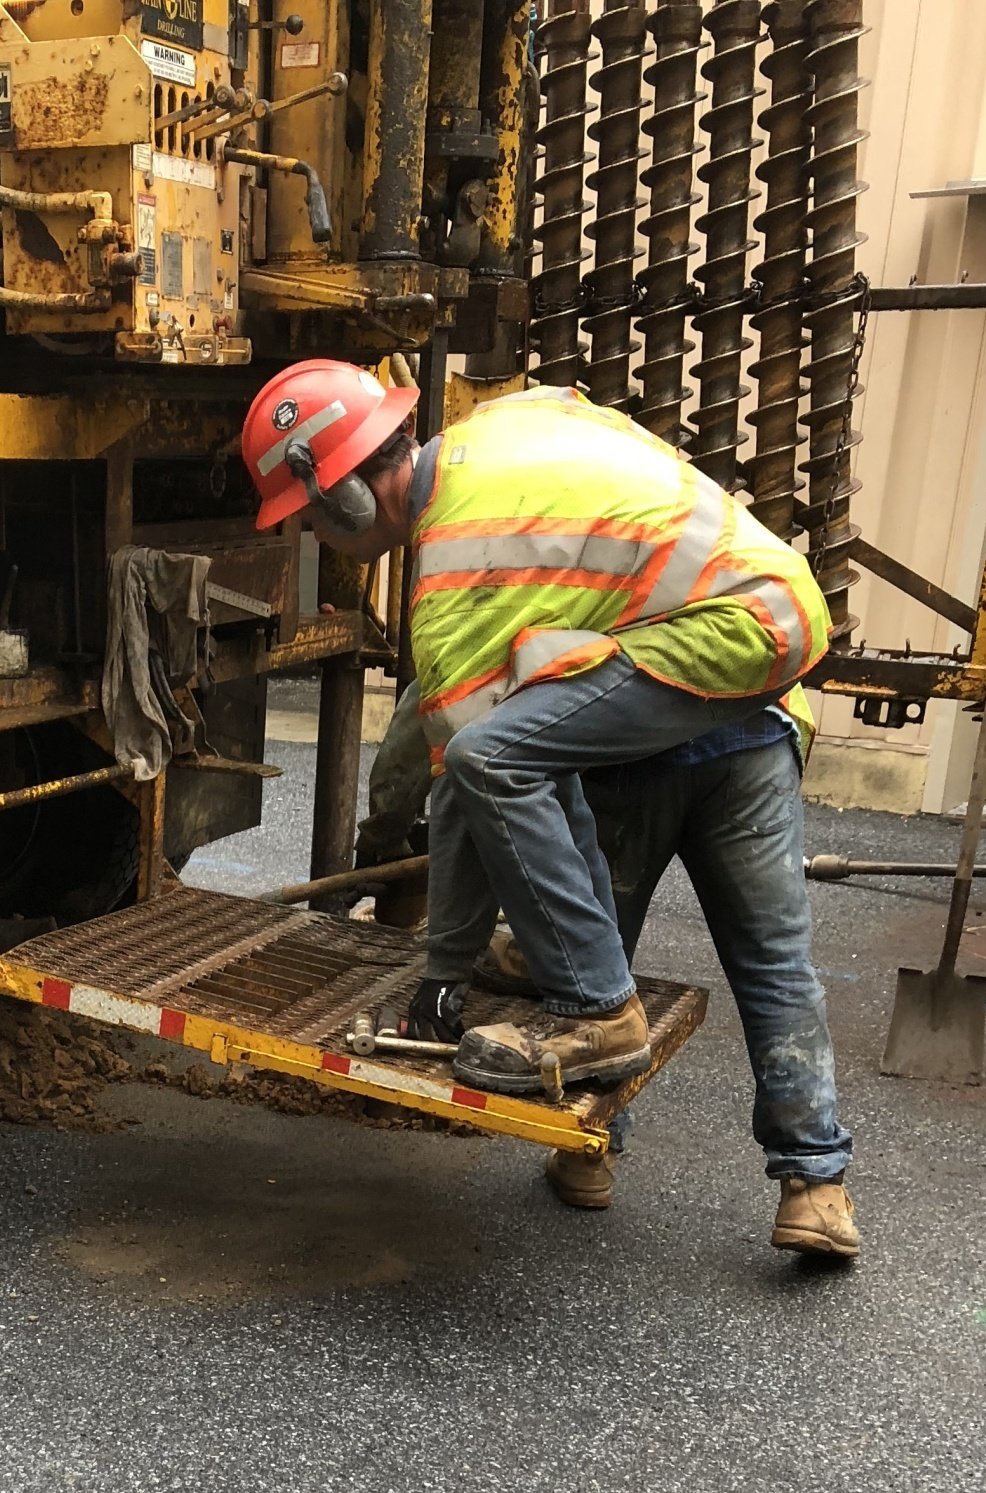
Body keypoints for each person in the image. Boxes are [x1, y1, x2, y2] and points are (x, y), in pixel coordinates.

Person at [240, 366, 857, 1258]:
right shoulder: (516, 426)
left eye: (302, 513)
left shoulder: (454, 572)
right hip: (755, 698)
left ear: (332, 489)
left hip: (701, 678)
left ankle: (591, 1126)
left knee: (582, 924)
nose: (307, 532)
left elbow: (457, 786)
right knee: (770, 958)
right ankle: (816, 1190)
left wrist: (439, 979)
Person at [358, 678, 855, 1254]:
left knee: (598, 964)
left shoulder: (489, 593)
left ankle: (589, 1153)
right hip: (753, 739)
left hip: (627, 756)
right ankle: (813, 1191)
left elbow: (440, 734)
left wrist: (386, 840)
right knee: (776, 966)